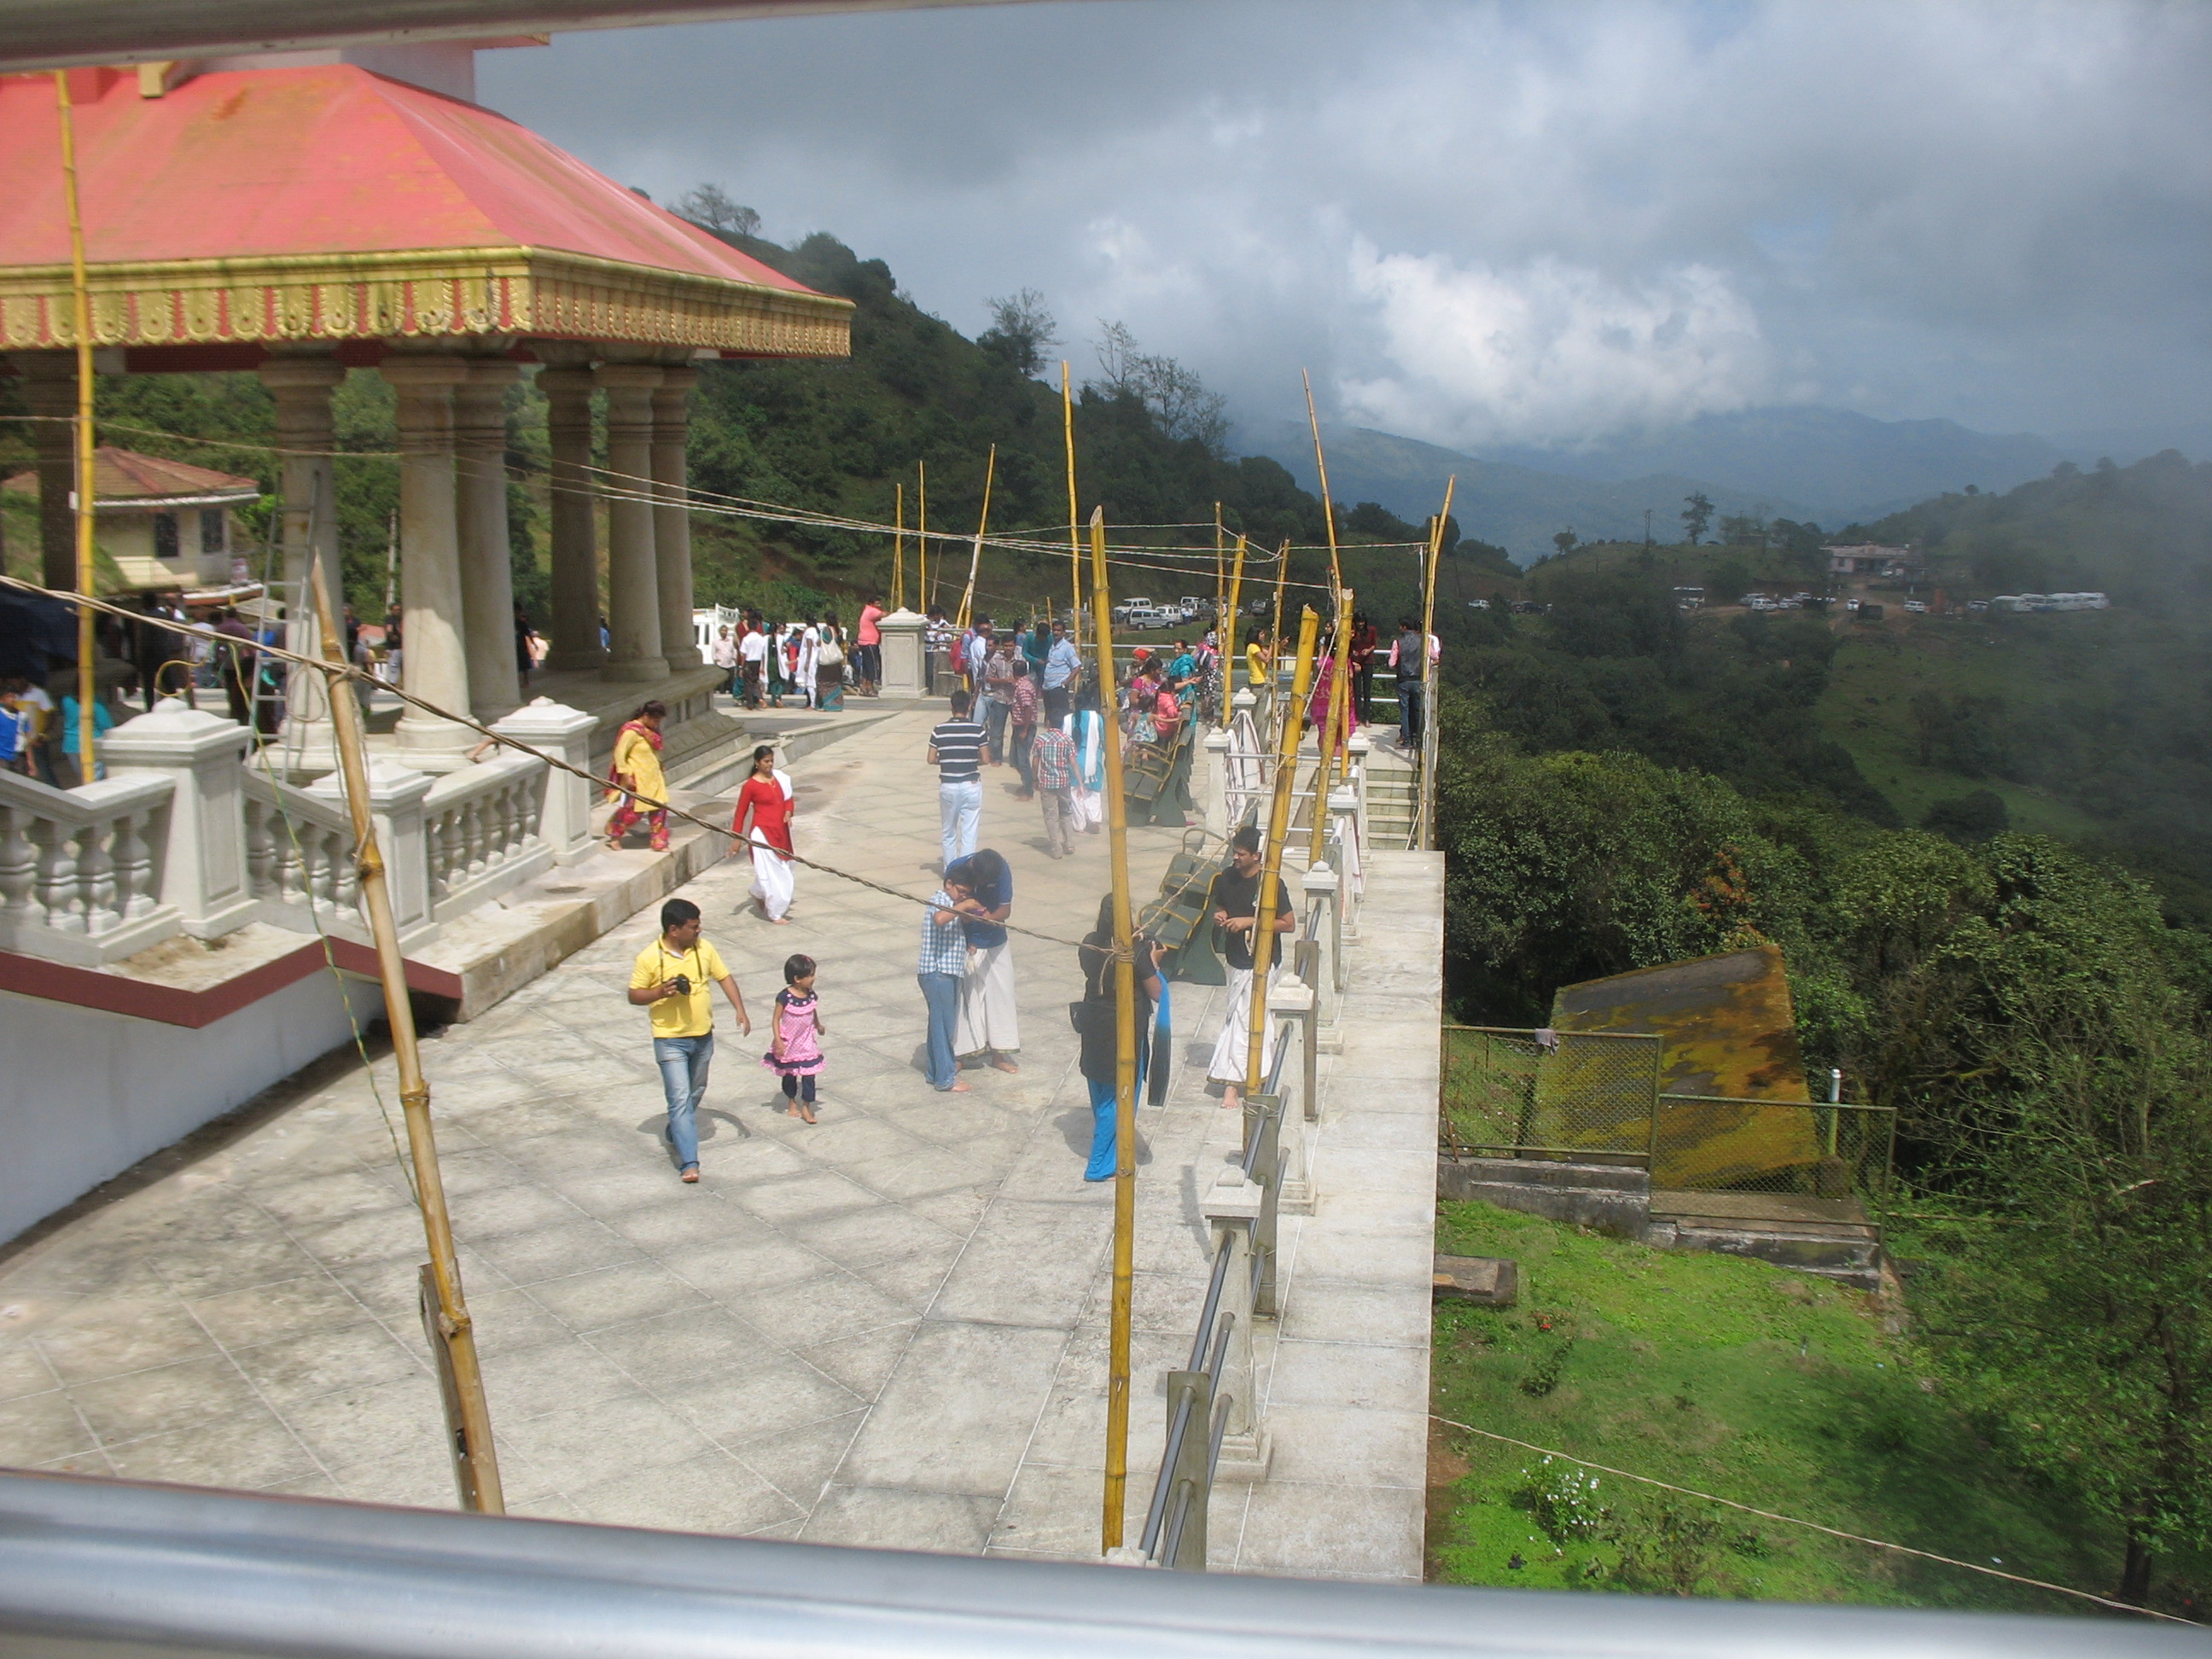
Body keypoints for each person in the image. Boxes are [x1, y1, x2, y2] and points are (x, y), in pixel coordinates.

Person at [627, 897, 751, 1182]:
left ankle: (675, 1130)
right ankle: (689, 1162)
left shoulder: (704, 949)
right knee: (680, 1097)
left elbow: (724, 978)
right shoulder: (649, 958)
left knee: (696, 1090)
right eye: (693, 927)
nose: (699, 931)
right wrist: (659, 992)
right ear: (674, 930)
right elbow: (634, 995)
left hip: (703, 1037)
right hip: (670, 1040)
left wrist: (740, 1010)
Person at [1205, 826, 1295, 1111]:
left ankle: (1233, 1084)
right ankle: (1254, 1073)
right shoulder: (1227, 877)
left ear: (1256, 855)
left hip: (1262, 962)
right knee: (1238, 1018)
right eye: (1235, 852)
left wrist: (1250, 922)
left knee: (1247, 1022)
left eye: (1241, 854)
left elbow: (1289, 924)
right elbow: (1220, 903)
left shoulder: (1271, 884)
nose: (1236, 858)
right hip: (1235, 960)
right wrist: (1221, 915)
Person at [1075, 894, 1164, 1181]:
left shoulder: (1089, 942)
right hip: (1123, 1030)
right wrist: (1153, 961)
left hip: (1093, 1023)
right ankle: (1100, 1165)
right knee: (1119, 1098)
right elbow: (1156, 993)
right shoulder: (1135, 952)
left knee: (1101, 1093)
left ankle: (1108, 1155)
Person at [946, 847, 1018, 1073]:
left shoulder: (1001, 869)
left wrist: (989, 918)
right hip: (966, 942)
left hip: (995, 940)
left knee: (1001, 995)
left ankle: (1000, 1053)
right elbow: (949, 907)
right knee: (967, 999)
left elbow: (1005, 910)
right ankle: (961, 1054)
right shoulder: (956, 869)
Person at [917, 874, 974, 1093]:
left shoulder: (953, 905)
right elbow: (940, 919)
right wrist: (965, 905)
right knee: (943, 1028)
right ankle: (945, 1079)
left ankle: (935, 1072)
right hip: (938, 973)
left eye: (967, 894)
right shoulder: (940, 899)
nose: (963, 896)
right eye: (961, 891)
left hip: (948, 972)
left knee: (939, 1026)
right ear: (949, 884)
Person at [732, 743, 796, 923]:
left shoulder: (780, 779)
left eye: (771, 761)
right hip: (762, 834)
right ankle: (775, 913)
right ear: (757, 763)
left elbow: (788, 800)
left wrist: (788, 811)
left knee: (787, 867)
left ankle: (757, 891)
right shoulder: (750, 786)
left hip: (781, 832)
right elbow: (740, 813)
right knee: (774, 872)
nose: (770, 765)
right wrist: (736, 838)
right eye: (766, 761)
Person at [761, 952, 826, 1125]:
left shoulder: (811, 995)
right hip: (790, 1042)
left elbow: (812, 1011)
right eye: (810, 975)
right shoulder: (785, 997)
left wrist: (818, 1025)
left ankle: (806, 1105)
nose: (814, 978)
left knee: (809, 1075)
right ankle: (791, 1100)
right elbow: (776, 1019)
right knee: (790, 1074)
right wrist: (779, 1041)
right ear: (797, 978)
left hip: (806, 1042)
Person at [928, 689, 987, 870]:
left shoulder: (939, 730)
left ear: (951, 707)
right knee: (970, 832)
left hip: (949, 785)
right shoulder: (978, 730)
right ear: (970, 707)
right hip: (971, 784)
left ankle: (950, 871)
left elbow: (931, 759)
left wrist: (945, 758)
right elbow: (986, 759)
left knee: (949, 832)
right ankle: (966, 871)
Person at [605, 700, 669, 851]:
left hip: (654, 778)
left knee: (659, 810)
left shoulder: (650, 732)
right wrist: (625, 775)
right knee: (632, 812)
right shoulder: (631, 732)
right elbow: (620, 753)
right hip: (638, 779)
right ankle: (615, 834)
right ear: (646, 716)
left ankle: (659, 842)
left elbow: (653, 751)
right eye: (655, 720)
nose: (656, 724)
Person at [1030, 711, 1078, 858]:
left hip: (1046, 782)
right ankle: (1069, 844)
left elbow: (1035, 762)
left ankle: (1056, 847)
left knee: (1051, 815)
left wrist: (1035, 779)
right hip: (1064, 781)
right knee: (1066, 812)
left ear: (1048, 723)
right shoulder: (1067, 739)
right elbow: (1073, 762)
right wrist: (1079, 780)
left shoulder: (1040, 740)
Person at [1389, 616, 1434, 747]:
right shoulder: (1423, 640)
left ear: (1404, 627)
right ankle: (1417, 738)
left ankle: (1406, 739)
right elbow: (1434, 655)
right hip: (1418, 678)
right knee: (1417, 709)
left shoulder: (1398, 642)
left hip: (1403, 679)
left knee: (1404, 709)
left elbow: (1392, 663)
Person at [1068, 684, 1106, 835]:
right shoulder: (1097, 719)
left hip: (1075, 761)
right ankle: (1094, 820)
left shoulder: (1069, 719)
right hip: (1094, 761)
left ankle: (1079, 825)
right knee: (1093, 792)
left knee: (1076, 793)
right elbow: (1103, 739)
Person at [58, 689, 116, 785]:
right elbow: (106, 724)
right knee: (94, 781)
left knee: (83, 778)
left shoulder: (66, 700)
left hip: (71, 745)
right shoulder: (95, 701)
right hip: (91, 743)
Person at [981, 632, 1018, 765]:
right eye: (1006, 646)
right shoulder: (995, 660)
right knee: (996, 731)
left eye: (1011, 646)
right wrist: (1003, 681)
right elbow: (988, 678)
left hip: (1015, 700)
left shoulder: (1021, 660)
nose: (1008, 648)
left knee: (1017, 730)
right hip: (1000, 698)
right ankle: (996, 757)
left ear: (1015, 646)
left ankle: (1015, 758)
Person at [1006, 657, 1039, 799]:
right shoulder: (1022, 685)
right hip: (1018, 725)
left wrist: (1025, 730)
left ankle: (1028, 790)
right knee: (1014, 759)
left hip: (1025, 727)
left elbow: (1027, 709)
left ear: (1014, 673)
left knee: (1022, 759)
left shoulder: (1023, 688)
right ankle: (1028, 782)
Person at [1042, 618, 1080, 725]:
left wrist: (1066, 682)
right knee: (1050, 716)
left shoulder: (1067, 647)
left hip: (1058, 687)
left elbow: (1077, 666)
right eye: (1054, 630)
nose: (1056, 633)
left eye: (1059, 630)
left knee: (1060, 716)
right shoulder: (1051, 645)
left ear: (1064, 632)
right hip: (1047, 686)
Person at [1349, 613, 1378, 727]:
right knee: (1357, 691)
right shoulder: (1352, 631)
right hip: (1356, 663)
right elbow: (1348, 645)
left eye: (1362, 622)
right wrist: (1353, 654)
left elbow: (1374, 644)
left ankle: (1366, 718)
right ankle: (1357, 717)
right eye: (1358, 622)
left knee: (1367, 691)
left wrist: (1369, 650)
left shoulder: (1371, 630)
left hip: (1368, 662)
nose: (1360, 624)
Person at [815, 615, 846, 711]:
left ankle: (827, 705)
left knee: (823, 683)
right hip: (836, 661)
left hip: (826, 662)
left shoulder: (826, 630)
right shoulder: (839, 631)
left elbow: (825, 641)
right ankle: (837, 704)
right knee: (836, 683)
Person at [855, 597, 884, 696]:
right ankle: (870, 687)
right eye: (877, 603)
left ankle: (863, 686)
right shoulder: (872, 611)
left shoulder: (866, 610)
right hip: (869, 642)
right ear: (871, 604)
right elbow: (883, 615)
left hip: (864, 642)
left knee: (867, 666)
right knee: (873, 665)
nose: (879, 606)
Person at [737, 617, 768, 708]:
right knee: (755, 681)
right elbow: (763, 654)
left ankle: (750, 704)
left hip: (749, 662)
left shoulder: (747, 639)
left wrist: (742, 667)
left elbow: (744, 654)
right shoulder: (761, 639)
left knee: (748, 683)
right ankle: (760, 698)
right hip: (757, 662)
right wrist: (762, 666)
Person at [711, 624, 739, 697]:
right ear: (720, 631)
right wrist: (715, 659)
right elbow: (713, 651)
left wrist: (735, 657)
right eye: (722, 630)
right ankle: (722, 691)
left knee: (732, 679)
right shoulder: (716, 641)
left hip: (730, 663)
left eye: (725, 631)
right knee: (722, 680)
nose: (724, 632)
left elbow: (734, 650)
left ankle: (732, 691)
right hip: (721, 663)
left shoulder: (730, 640)